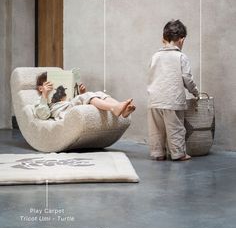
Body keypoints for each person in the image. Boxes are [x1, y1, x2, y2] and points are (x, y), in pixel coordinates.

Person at [147, 19, 199, 161]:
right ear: (182, 40)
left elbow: (151, 75)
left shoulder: (155, 56)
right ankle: (178, 153)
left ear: (164, 39)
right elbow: (187, 78)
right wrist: (195, 92)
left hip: (154, 100)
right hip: (172, 100)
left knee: (156, 130)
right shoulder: (181, 57)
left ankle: (158, 153)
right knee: (175, 128)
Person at [34, 72, 136, 121]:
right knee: (86, 96)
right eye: (48, 85)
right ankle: (113, 108)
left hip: (71, 104)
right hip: (63, 111)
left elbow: (75, 101)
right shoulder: (41, 100)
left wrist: (81, 93)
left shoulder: (64, 96)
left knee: (99, 93)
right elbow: (43, 115)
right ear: (40, 88)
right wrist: (45, 95)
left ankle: (122, 109)